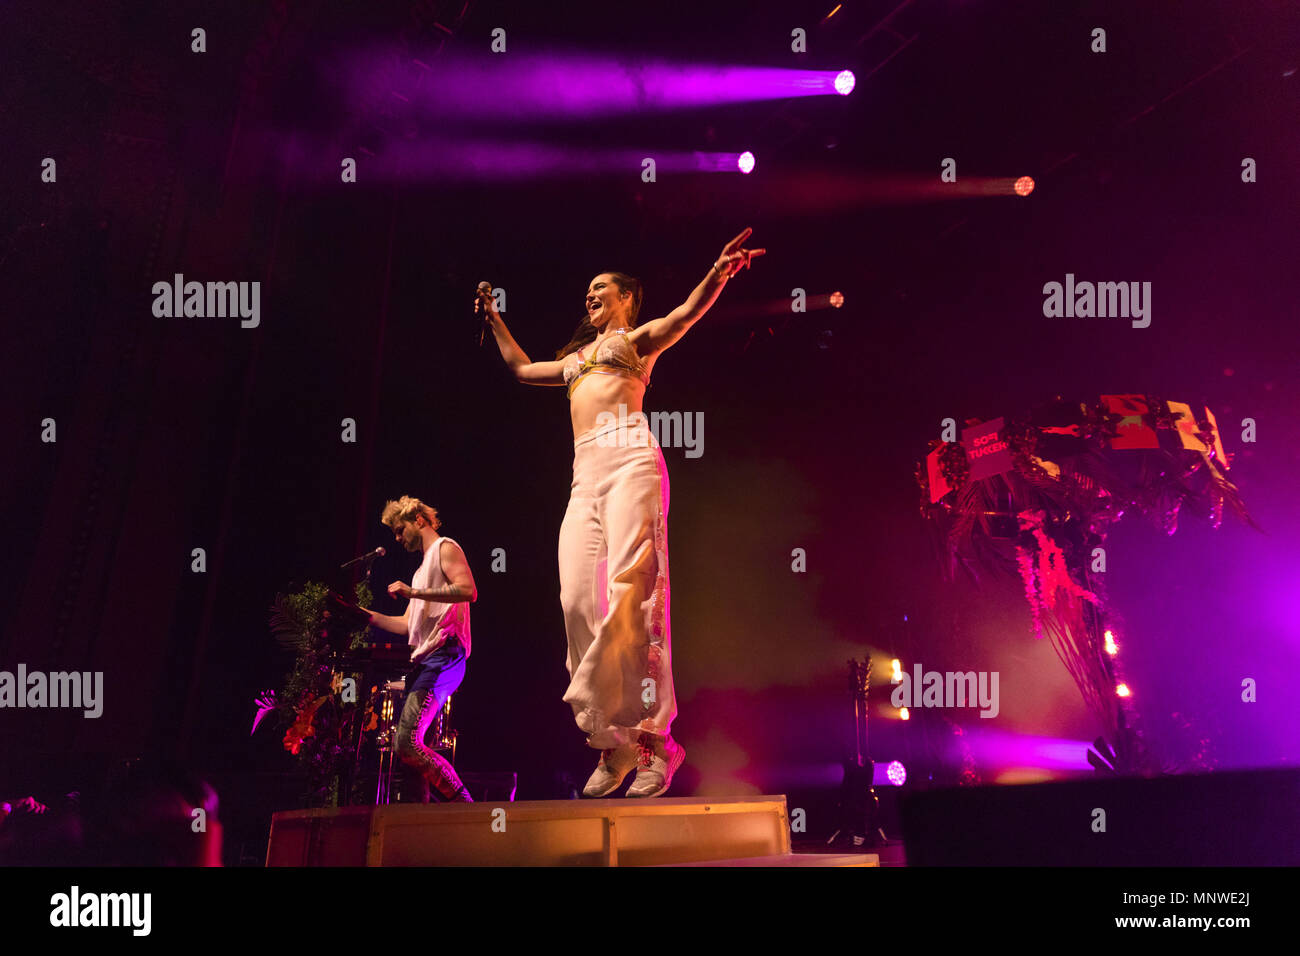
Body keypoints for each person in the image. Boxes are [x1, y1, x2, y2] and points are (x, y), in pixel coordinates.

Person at [482, 228, 765, 797]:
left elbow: (685, 314)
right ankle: (611, 742)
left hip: (632, 461)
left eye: (601, 288)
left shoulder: (635, 341)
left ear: (626, 298)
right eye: (587, 289)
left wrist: (718, 270)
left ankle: (656, 744)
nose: (590, 294)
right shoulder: (574, 361)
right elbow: (518, 370)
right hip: (584, 477)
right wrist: (492, 317)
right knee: (578, 600)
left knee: (636, 594)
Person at [360, 496, 476, 803]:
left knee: (407, 743)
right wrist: (364, 615)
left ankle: (464, 805)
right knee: (408, 753)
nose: (398, 538)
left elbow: (468, 590)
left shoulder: (445, 548)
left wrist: (413, 592)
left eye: (400, 530)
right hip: (425, 662)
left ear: (419, 521)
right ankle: (420, 821)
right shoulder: (420, 570)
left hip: (444, 657)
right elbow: (406, 624)